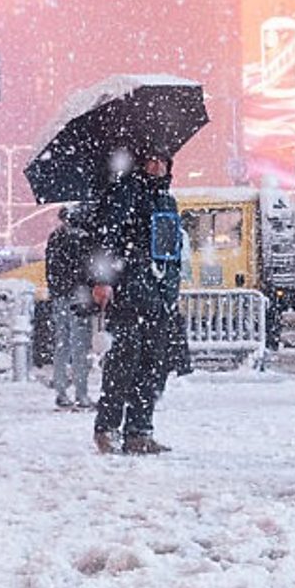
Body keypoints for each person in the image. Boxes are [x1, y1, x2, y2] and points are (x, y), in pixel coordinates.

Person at [89, 149, 190, 454]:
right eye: (152, 159)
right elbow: (107, 236)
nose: (158, 166)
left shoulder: (167, 201)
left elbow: (172, 251)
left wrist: (171, 288)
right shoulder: (125, 193)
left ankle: (139, 431)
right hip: (131, 293)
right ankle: (107, 428)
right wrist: (103, 279)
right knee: (122, 365)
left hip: (159, 297)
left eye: (163, 160)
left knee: (153, 367)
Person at [44, 204, 97, 410]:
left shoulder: (54, 238)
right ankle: (81, 394)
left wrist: (56, 290)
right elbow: (87, 270)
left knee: (62, 344)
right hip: (79, 297)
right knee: (80, 346)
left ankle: (60, 391)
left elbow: (50, 269)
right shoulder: (83, 239)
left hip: (59, 296)